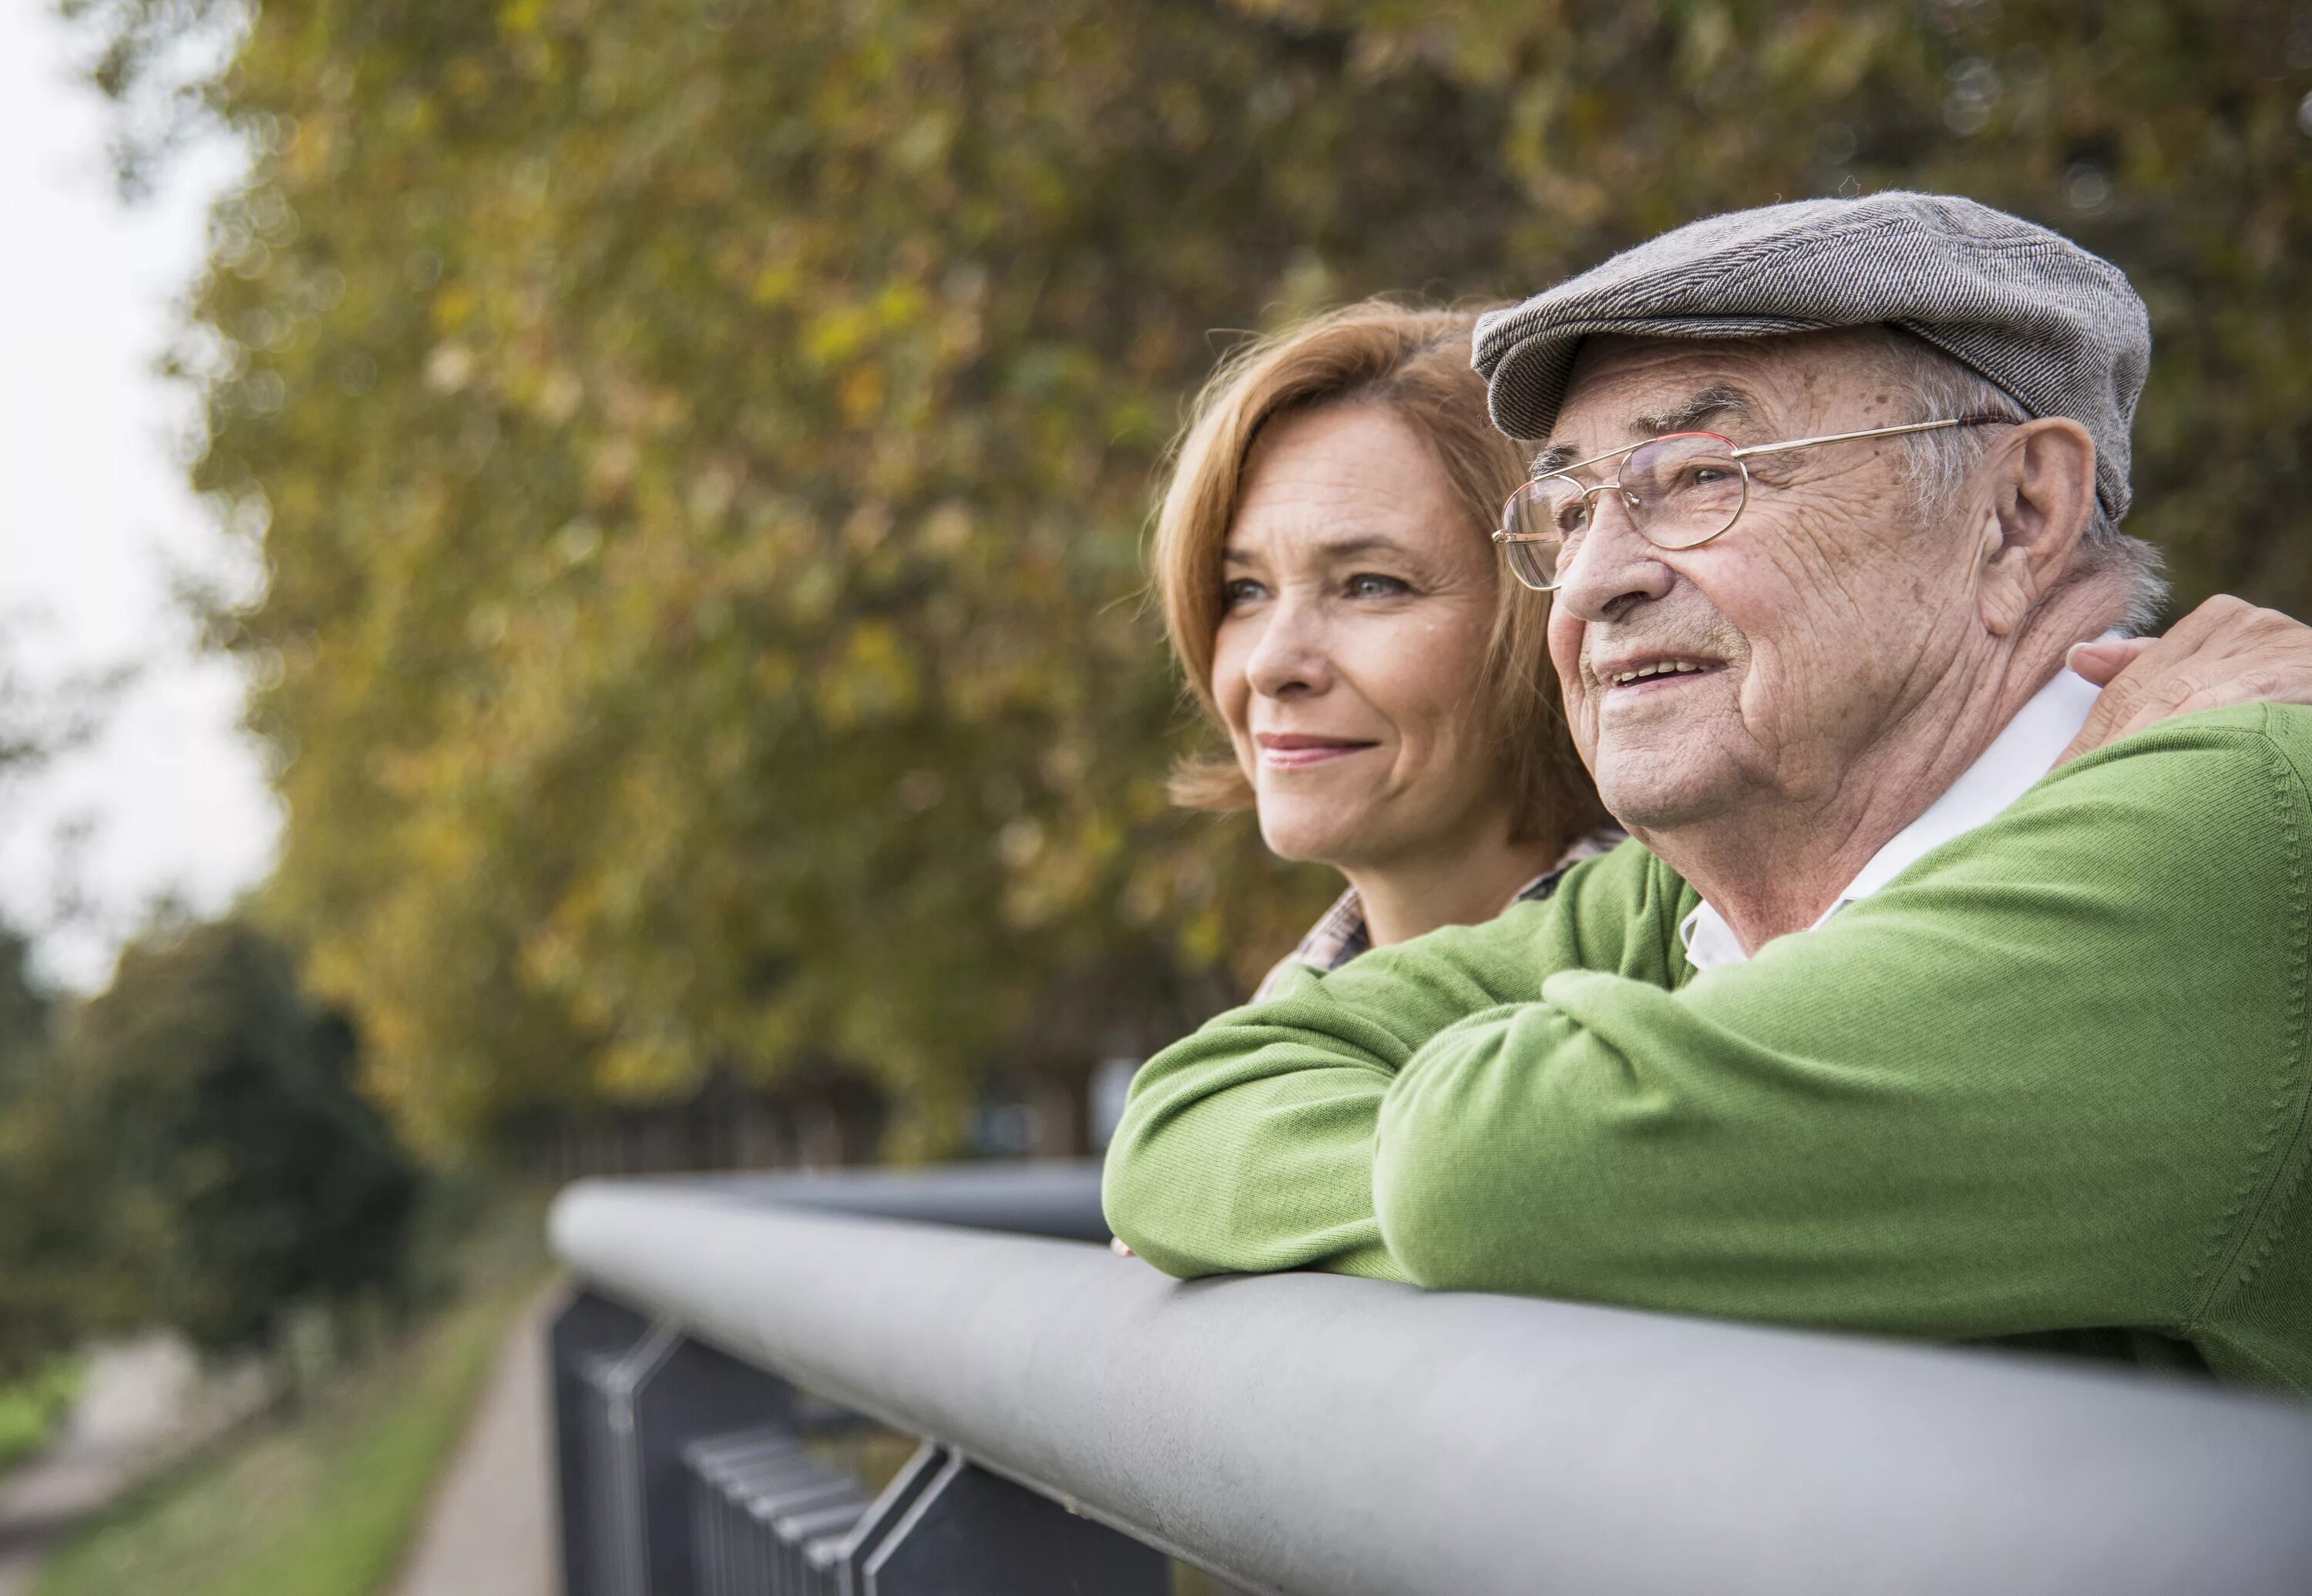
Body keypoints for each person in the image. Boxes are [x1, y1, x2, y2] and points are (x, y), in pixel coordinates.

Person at [1104, 193, 2312, 1393]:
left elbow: (1500, 1175)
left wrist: (1487, 1200)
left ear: (2021, 511)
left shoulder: (2228, 829)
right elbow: (1186, 1121)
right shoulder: (1677, 895)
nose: (1589, 584)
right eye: (1570, 509)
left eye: (1698, 476)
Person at [1152, 302, 1619, 1002]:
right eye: (1244, 589)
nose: (1270, 665)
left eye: (1371, 584)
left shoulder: (1710, 980)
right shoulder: (1271, 1040)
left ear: (1551, 600)